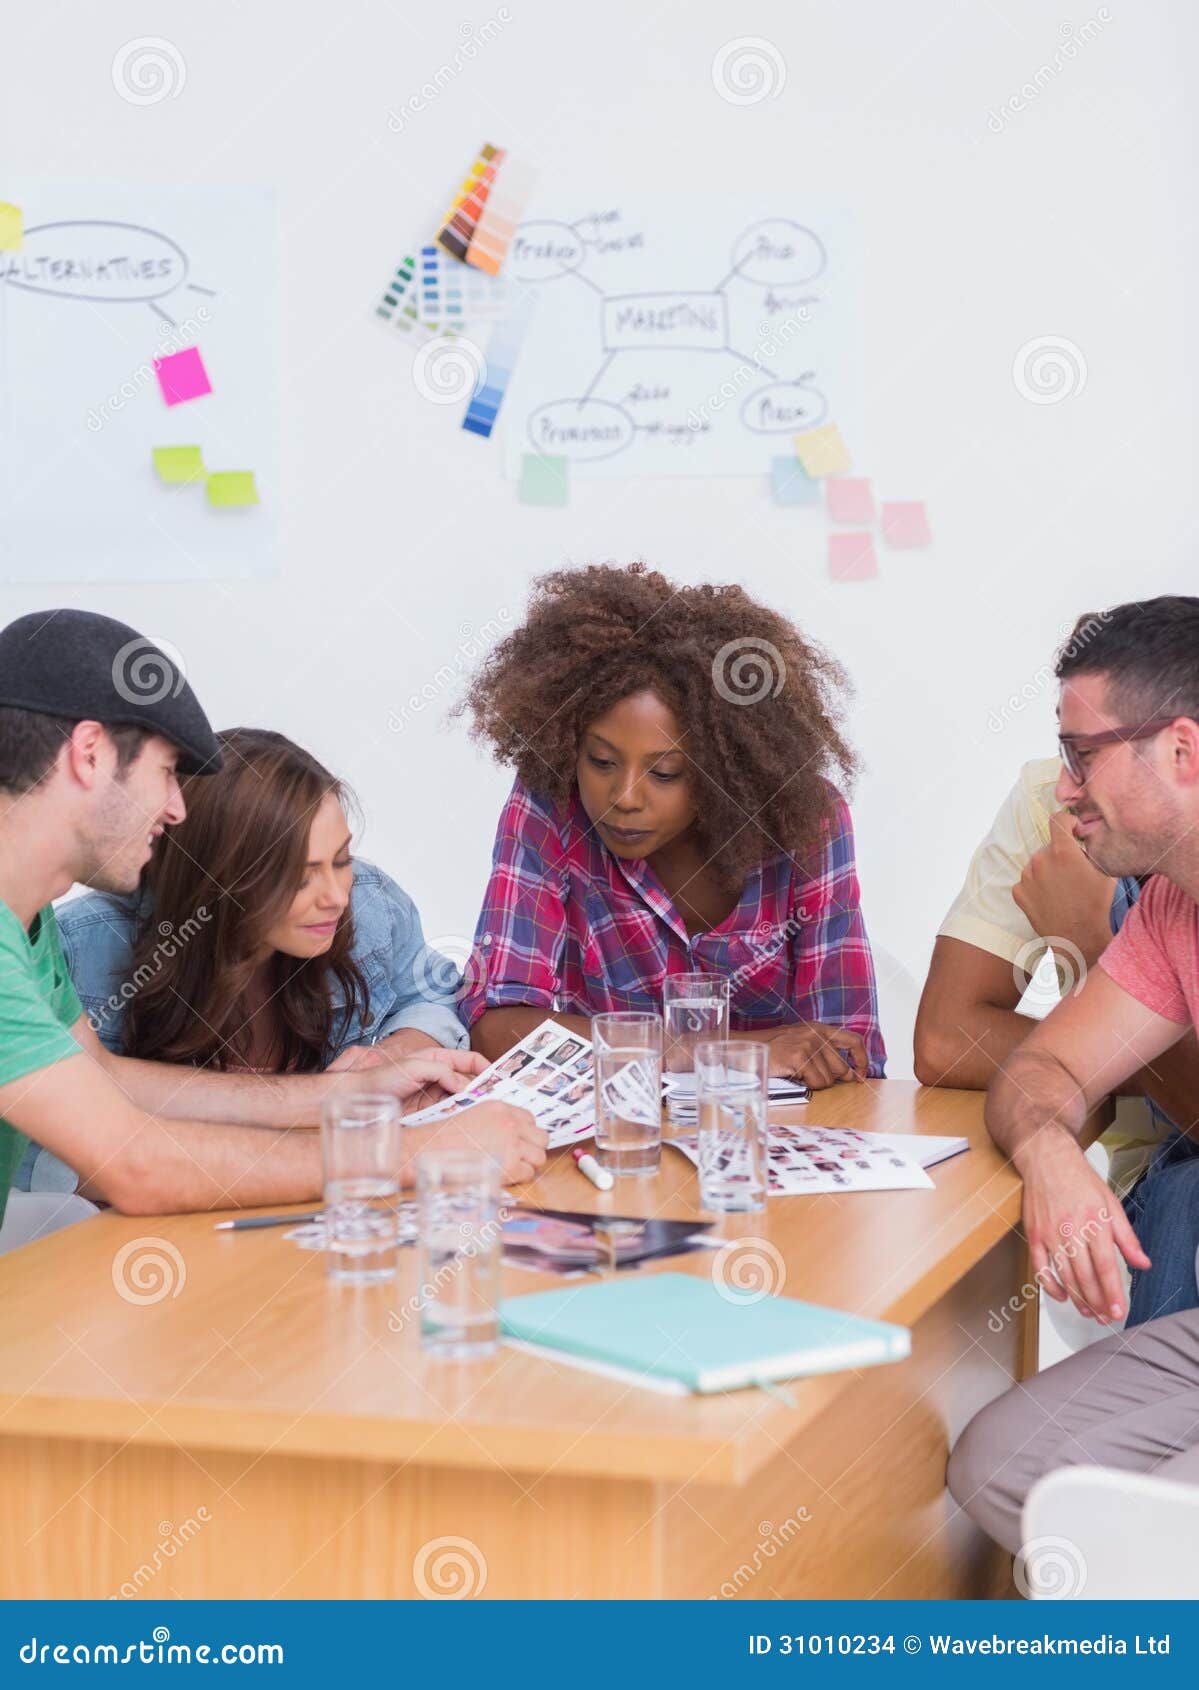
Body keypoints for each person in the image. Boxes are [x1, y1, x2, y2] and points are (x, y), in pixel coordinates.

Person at [0, 611, 543, 1222]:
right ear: (90, 756)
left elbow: (103, 1077)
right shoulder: (66, 937)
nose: (177, 809)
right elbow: (135, 1165)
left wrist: (342, 1094)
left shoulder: (27, 920)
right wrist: (419, 1151)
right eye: (164, 773)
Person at [948, 596, 1199, 1549]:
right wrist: (1052, 1151)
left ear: (1179, 750)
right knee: (1006, 1469)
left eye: (1079, 753)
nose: (1062, 790)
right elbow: (1044, 1061)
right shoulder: (1171, 910)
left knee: (1148, 1526)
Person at [457, 563, 886, 1086]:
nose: (625, 798)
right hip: (607, 1141)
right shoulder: (549, 809)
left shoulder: (808, 826)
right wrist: (716, 1052)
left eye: (665, 772)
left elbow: (846, 1055)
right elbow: (496, 1029)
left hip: (768, 1145)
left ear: (726, 768)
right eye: (601, 762)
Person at [17, 728, 472, 1193]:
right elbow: (69, 1166)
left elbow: (433, 995)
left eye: (341, 860)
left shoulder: (369, 903)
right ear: (217, 883)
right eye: (297, 878)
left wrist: (385, 1064)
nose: (336, 897)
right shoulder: (83, 945)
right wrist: (390, 1150)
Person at [914, 747, 1199, 1326]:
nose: (1070, 784)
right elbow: (946, 1039)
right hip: (1144, 1186)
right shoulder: (1053, 800)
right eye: (1071, 746)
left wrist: (1091, 943)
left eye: (1092, 752)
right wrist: (1074, 1081)